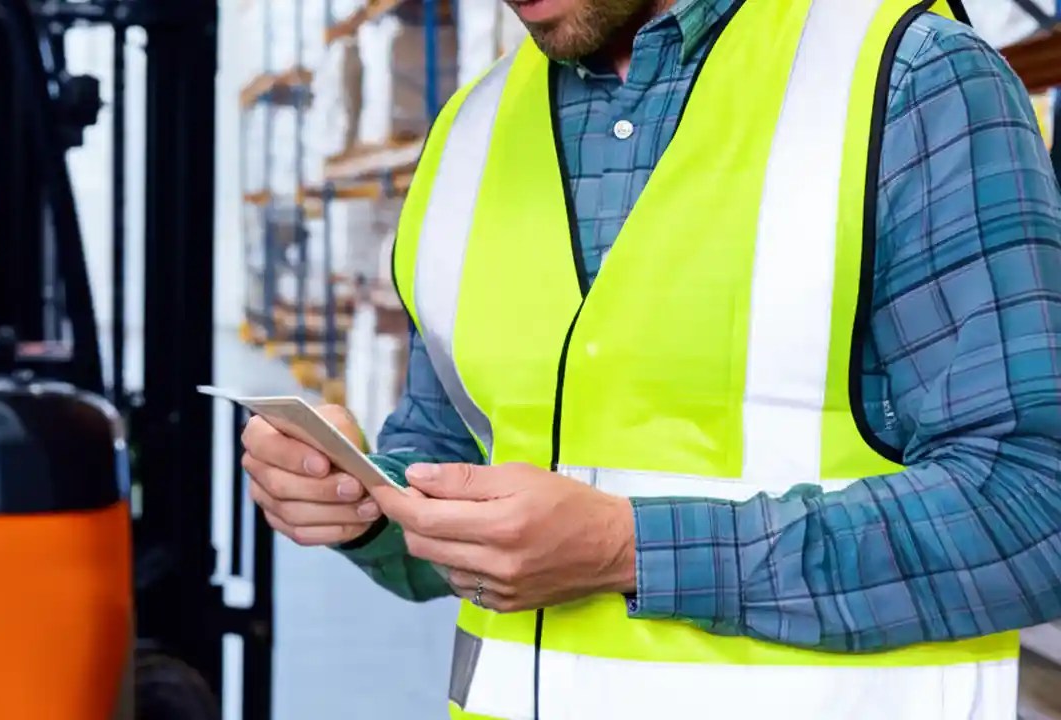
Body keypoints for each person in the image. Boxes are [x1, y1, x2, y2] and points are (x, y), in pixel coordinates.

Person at [240, 0, 1061, 716]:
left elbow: (1034, 511)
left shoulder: (914, 81)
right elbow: (449, 458)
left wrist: (630, 551)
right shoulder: (468, 132)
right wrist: (362, 501)